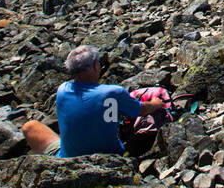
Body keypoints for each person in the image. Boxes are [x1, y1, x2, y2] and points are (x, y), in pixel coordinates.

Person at [21, 45, 169, 157]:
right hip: (110, 157)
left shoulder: (62, 90)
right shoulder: (113, 92)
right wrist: (156, 103)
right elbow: (142, 109)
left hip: (68, 159)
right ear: (95, 66)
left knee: (30, 126)